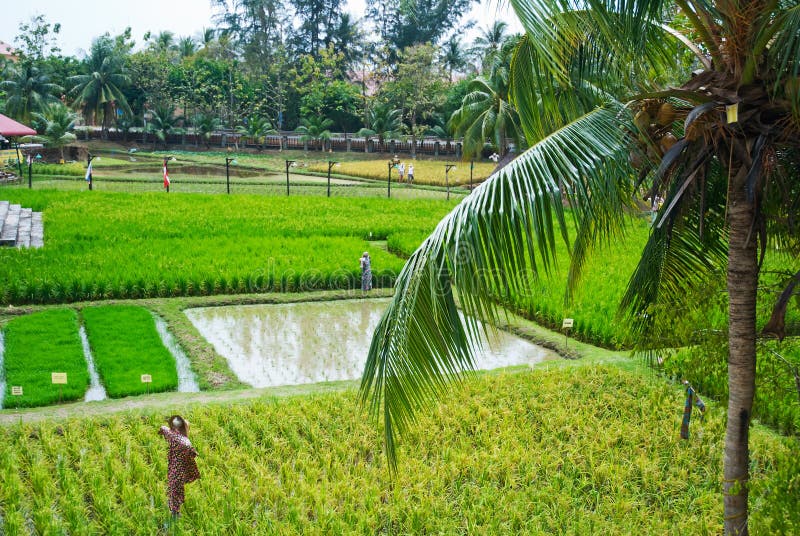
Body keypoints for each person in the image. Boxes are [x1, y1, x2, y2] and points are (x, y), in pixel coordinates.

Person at [159, 415, 200, 519]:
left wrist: (162, 431)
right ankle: (175, 513)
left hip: (173, 468)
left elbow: (163, 428)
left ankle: (174, 512)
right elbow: (193, 454)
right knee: (176, 490)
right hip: (179, 471)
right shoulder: (186, 442)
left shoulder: (172, 435)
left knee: (174, 489)